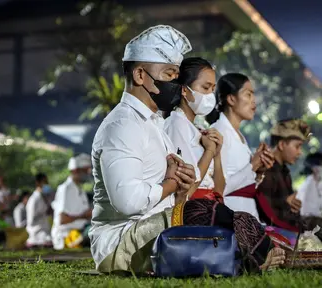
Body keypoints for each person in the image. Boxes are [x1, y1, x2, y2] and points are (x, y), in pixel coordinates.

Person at [89, 25, 284, 274]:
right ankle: (258, 254)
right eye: (169, 73)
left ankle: (254, 254)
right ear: (140, 75)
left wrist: (181, 189)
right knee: (203, 211)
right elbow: (128, 202)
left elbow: (169, 199)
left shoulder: (154, 123)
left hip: (155, 230)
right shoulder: (122, 125)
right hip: (120, 244)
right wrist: (172, 183)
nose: (176, 82)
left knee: (210, 215)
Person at [207, 73, 275, 221]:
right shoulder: (219, 132)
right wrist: (253, 164)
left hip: (246, 214)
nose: (254, 101)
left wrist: (258, 172)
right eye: (248, 94)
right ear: (231, 99)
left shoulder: (239, 136)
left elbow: (244, 185)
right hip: (232, 216)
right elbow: (219, 189)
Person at [164, 57, 225, 200]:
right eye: (205, 87)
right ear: (185, 90)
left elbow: (219, 189)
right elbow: (186, 190)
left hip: (210, 203)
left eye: (212, 89)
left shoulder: (198, 129)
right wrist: (209, 151)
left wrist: (217, 153)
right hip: (193, 209)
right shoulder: (176, 124)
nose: (210, 95)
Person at [256, 120, 322, 238]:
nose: (300, 152)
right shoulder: (266, 170)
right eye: (297, 146)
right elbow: (264, 216)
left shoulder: (284, 172)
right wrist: (286, 204)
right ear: (281, 145)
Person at [51, 154, 93, 250]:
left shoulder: (80, 190)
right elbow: (63, 220)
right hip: (67, 237)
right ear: (75, 171)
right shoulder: (66, 189)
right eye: (85, 170)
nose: (88, 173)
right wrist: (84, 215)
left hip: (79, 233)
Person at [26, 173, 53, 247]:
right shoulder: (34, 199)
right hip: (36, 237)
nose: (47, 184)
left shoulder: (44, 197)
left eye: (47, 182)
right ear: (37, 183)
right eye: (44, 182)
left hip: (45, 234)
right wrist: (43, 213)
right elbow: (31, 220)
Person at [297, 152, 322, 217]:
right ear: (315, 168)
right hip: (310, 224)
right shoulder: (308, 186)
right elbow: (306, 215)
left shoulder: (318, 184)